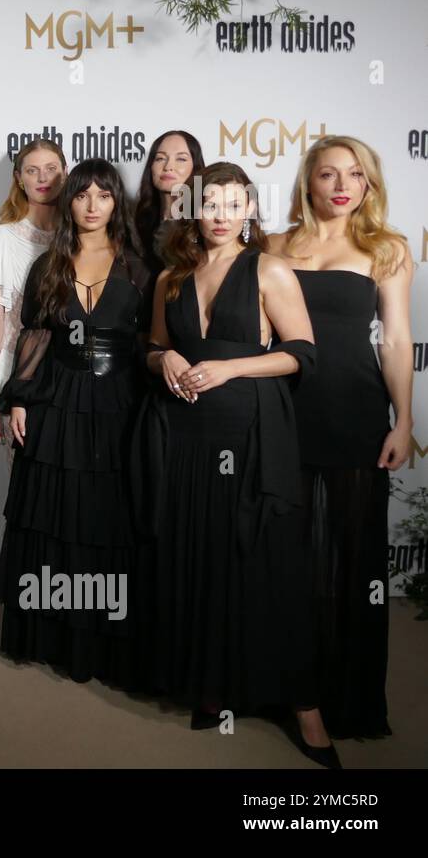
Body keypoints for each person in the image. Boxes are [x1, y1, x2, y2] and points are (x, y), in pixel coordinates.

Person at [134, 161, 338, 767]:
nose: (220, 215)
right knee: (203, 557)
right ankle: (213, 686)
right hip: (185, 434)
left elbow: (301, 354)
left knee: (268, 563)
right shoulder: (171, 276)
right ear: (194, 209)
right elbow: (149, 349)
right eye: (209, 203)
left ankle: (306, 710)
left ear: (249, 207)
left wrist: (230, 367)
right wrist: (164, 361)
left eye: (232, 203)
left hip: (250, 431)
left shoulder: (268, 268)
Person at [268, 136, 414, 739]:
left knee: (355, 561)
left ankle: (349, 700)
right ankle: (288, 692)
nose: (341, 185)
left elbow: (398, 339)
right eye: (328, 174)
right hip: (285, 411)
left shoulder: (387, 249)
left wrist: (403, 420)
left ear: (369, 183)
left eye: (354, 174)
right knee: (286, 555)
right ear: (310, 181)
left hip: (356, 411)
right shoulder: (276, 246)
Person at [0, 158, 153, 688]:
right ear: (70, 202)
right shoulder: (50, 263)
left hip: (118, 404)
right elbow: (36, 334)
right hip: (57, 400)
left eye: (102, 197)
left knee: (106, 518)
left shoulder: (138, 266)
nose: (91, 206)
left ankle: (103, 638)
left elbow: (148, 344)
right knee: (54, 515)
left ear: (116, 204)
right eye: (81, 195)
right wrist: (19, 399)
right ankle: (51, 636)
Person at [0, 137, 66, 448]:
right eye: (32, 170)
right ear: (19, 178)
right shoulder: (1, 238)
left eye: (51, 169)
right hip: (14, 370)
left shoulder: (80, 239)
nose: (43, 178)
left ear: (65, 174)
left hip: (68, 375)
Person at [133, 130, 204, 272]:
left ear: (195, 167)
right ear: (151, 167)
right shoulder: (139, 221)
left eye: (181, 159)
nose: (168, 167)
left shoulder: (203, 220)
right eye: (160, 158)